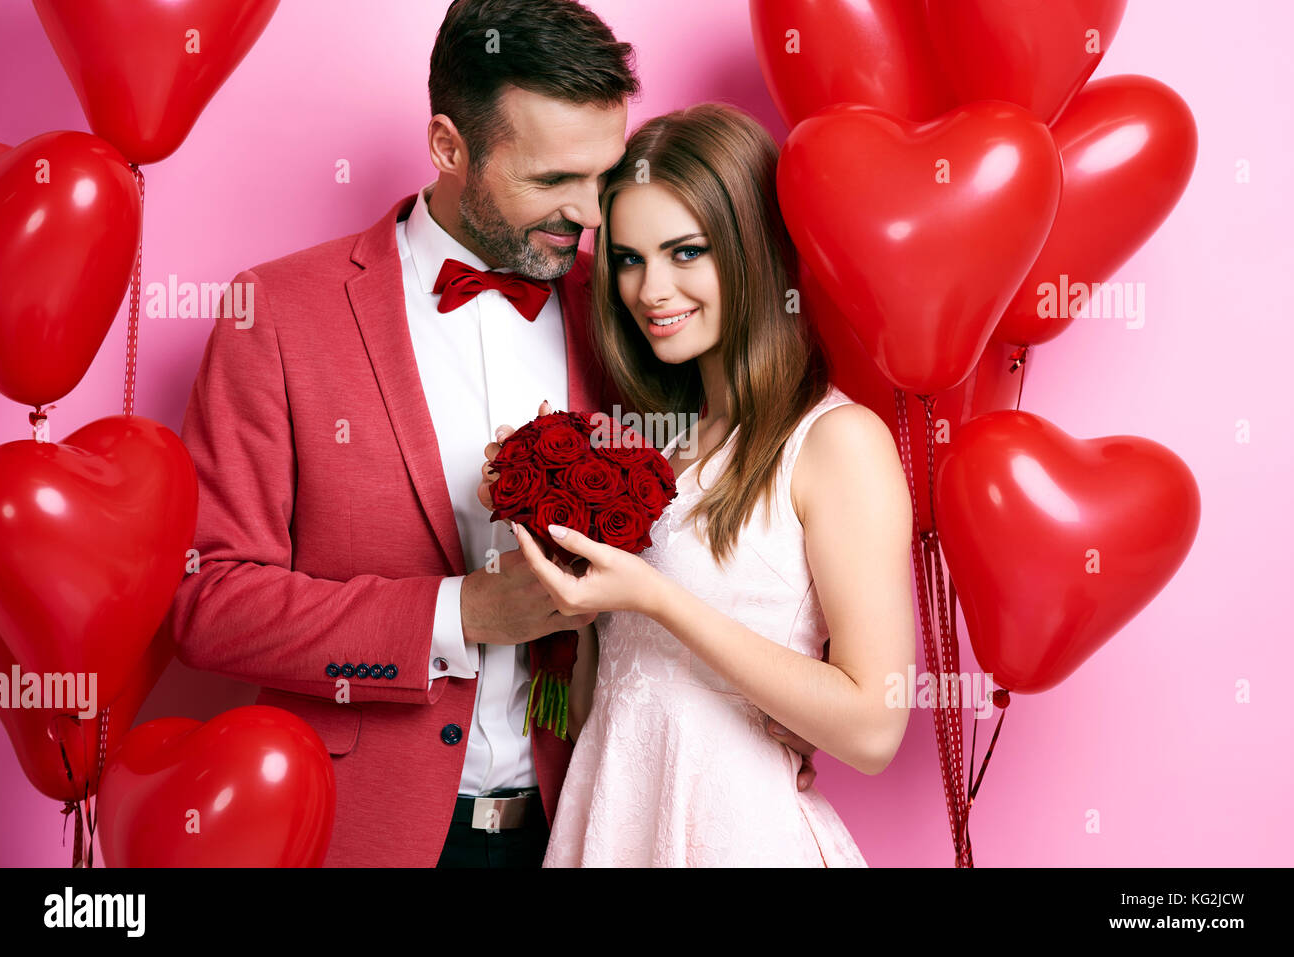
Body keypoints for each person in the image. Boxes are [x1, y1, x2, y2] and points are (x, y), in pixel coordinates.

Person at [169, 0, 813, 868]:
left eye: (604, 175)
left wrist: (766, 715)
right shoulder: (278, 315)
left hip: (593, 824)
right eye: (553, 182)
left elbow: (731, 505)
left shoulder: (631, 310)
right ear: (448, 146)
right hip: (367, 828)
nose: (591, 215)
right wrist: (460, 611)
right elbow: (213, 607)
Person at [504, 103, 918, 866]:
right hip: (610, 830)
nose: (650, 290)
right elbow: (615, 706)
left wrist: (656, 596)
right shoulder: (659, 449)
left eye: (685, 251)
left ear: (751, 249)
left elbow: (873, 727)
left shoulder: (835, 441)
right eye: (627, 259)